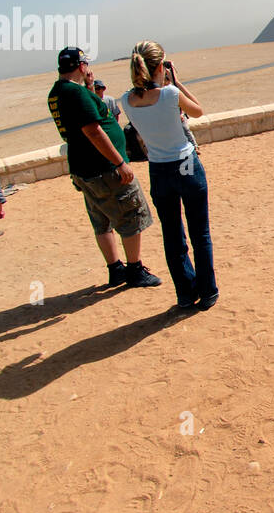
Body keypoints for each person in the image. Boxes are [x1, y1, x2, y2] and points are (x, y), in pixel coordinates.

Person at [47, 46, 162, 288]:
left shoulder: (58, 93)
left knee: (101, 220)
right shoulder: (74, 93)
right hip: (105, 168)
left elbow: (80, 119)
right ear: (81, 66)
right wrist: (120, 162)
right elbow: (92, 130)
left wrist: (88, 88)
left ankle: (115, 269)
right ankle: (135, 270)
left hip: (84, 169)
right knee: (131, 215)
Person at [120, 42, 219, 311]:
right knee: (200, 233)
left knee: (173, 236)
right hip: (186, 164)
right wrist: (177, 82)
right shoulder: (171, 94)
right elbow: (198, 110)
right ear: (162, 66)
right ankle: (208, 291)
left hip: (159, 169)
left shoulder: (126, 101)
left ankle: (186, 293)